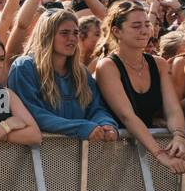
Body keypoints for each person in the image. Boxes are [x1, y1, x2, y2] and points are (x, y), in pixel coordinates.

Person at [92, 0, 185, 174]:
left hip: (146, 152)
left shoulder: (159, 64)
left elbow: (173, 108)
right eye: (136, 26)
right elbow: (127, 115)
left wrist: (179, 137)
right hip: (110, 155)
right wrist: (159, 153)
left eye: (146, 25)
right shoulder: (107, 66)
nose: (144, 31)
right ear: (116, 31)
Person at [8, 9, 121, 141]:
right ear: (47, 35)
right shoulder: (24, 67)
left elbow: (96, 108)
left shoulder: (82, 72)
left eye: (75, 33)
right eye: (64, 33)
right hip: (36, 155)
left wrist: (106, 124)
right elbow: (33, 114)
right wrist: (81, 128)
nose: (72, 38)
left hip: (80, 157)